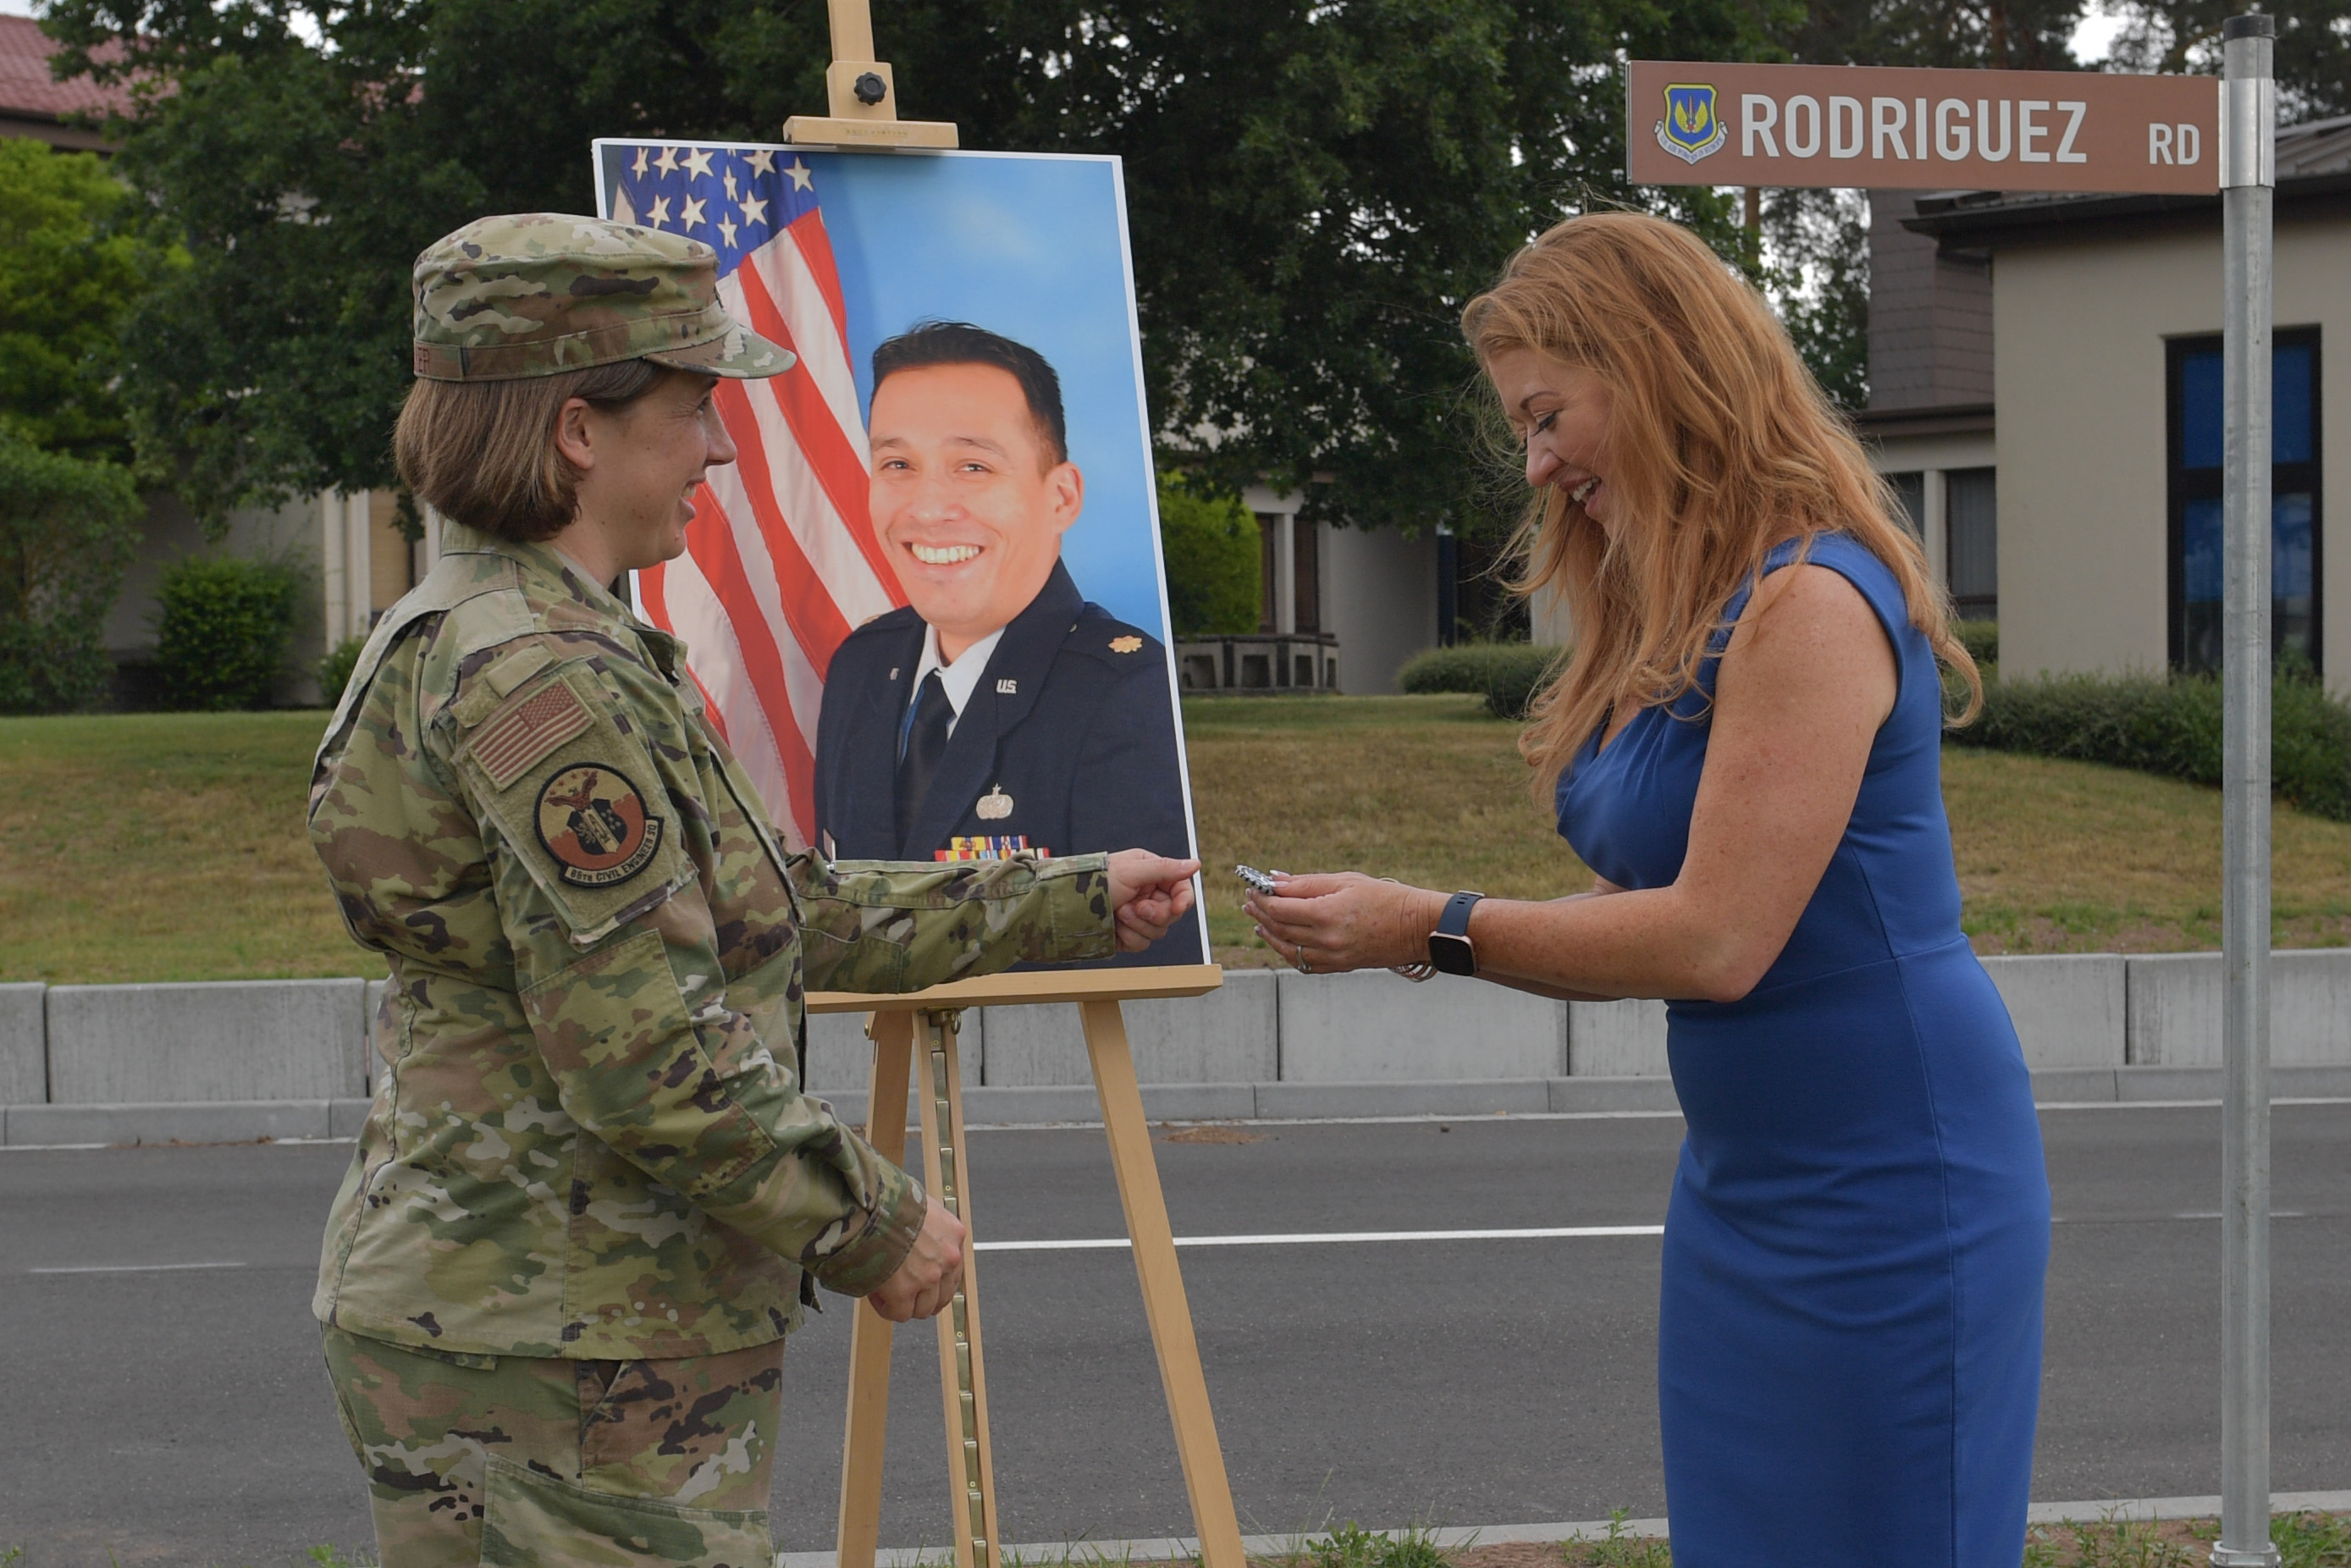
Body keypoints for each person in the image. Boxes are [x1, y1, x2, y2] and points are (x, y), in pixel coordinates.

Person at [308, 214, 1198, 1568]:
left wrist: (1071, 896)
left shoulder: (527, 637)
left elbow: (779, 908)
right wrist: (874, 1222)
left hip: (552, 1314)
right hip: (559, 1336)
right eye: (693, 406)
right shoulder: (547, 680)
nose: (722, 448)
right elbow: (646, 1055)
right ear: (578, 431)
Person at [1244, 213, 2050, 1568]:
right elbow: (1642, 899)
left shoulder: (1808, 603)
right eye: (1521, 427)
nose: (1535, 462)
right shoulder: (1679, 603)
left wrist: (1429, 926)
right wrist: (1413, 924)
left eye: (1546, 415)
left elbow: (1717, 939)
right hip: (1744, 1193)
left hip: (1893, 1195)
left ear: (1655, 368)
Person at [813, 323, 1196, 959]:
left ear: (1061, 497)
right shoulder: (861, 667)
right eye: (898, 465)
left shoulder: (1123, 690)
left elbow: (1147, 970)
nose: (928, 508)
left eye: (973, 466)